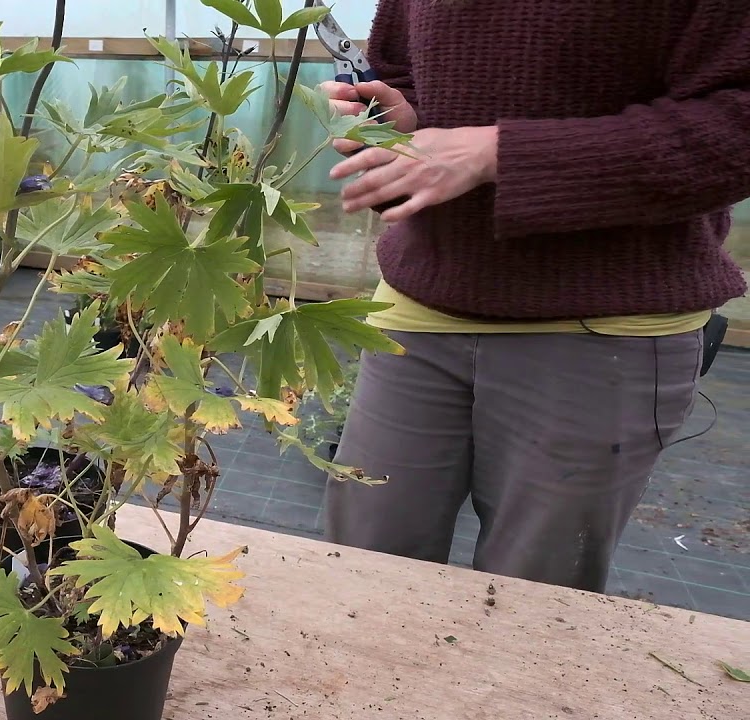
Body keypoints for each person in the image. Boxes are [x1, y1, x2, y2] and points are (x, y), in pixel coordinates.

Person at [319, 0, 749, 593]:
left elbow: (735, 126)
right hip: (421, 304)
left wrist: (497, 153)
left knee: (534, 596)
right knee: (363, 571)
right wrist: (403, 127)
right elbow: (399, 70)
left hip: (601, 327)